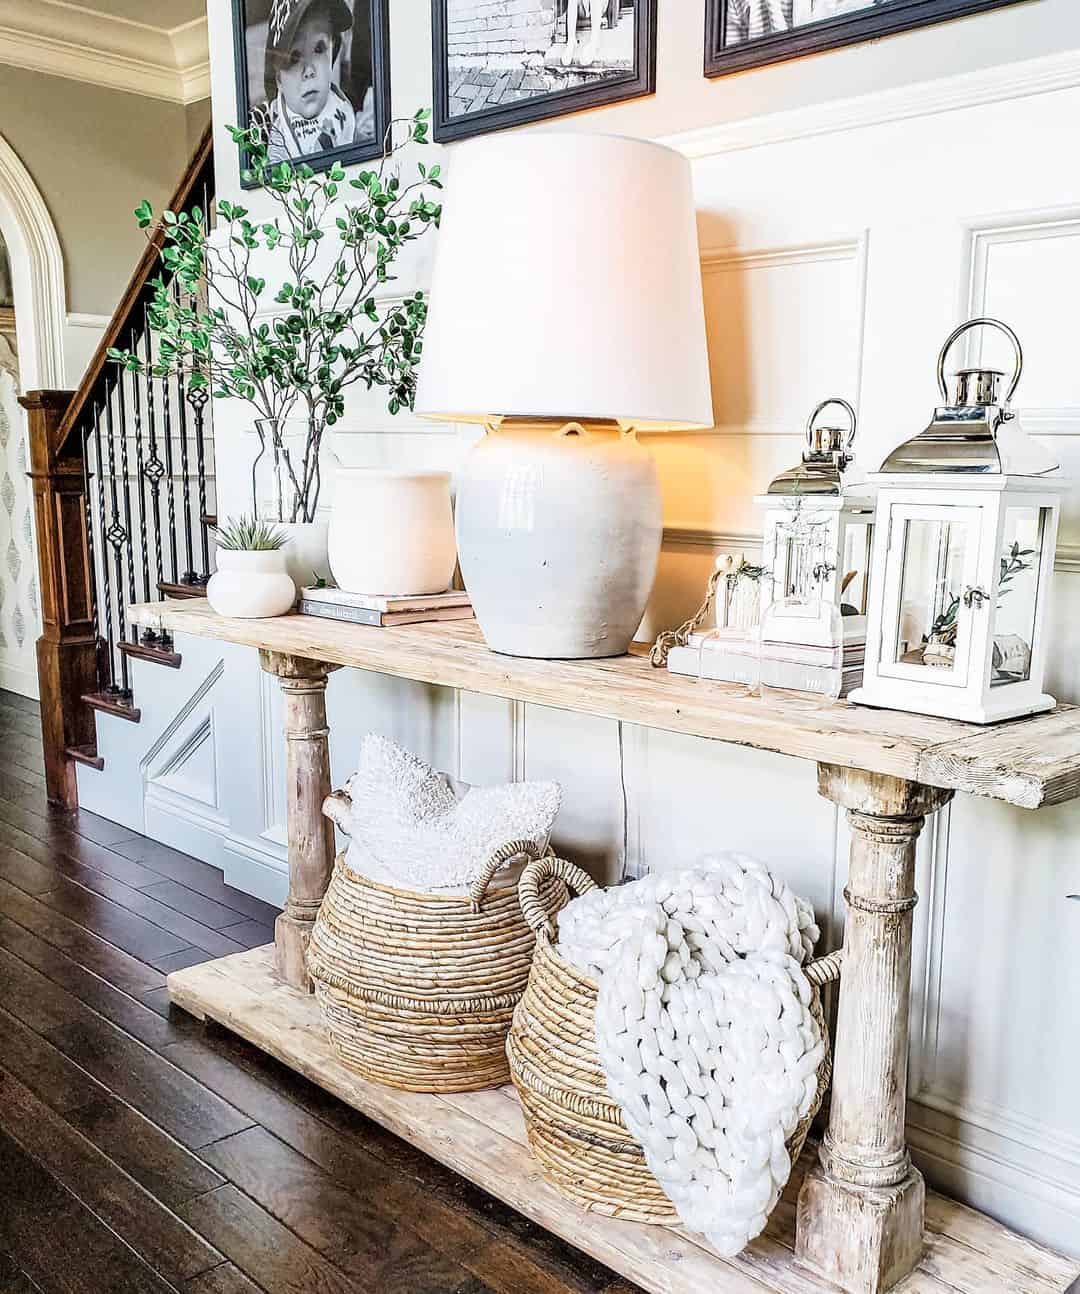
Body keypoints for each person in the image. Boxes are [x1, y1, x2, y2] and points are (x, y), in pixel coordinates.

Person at [260, 0, 359, 162]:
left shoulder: (344, 114)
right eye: (294, 57)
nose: (309, 71)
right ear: (279, 80)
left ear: (333, 54)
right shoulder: (280, 145)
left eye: (319, 49)